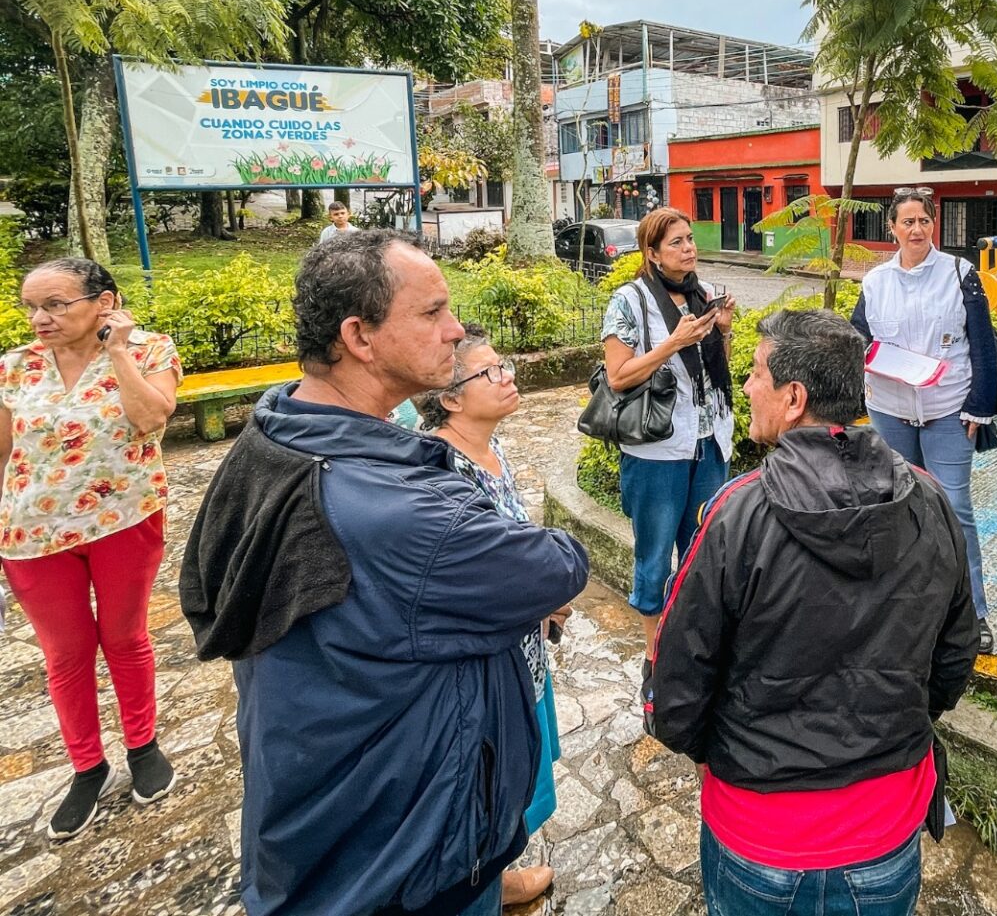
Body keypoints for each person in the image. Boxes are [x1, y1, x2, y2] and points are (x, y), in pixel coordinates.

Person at [179, 230, 589, 916]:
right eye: (432, 312)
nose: (456, 330)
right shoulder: (406, 515)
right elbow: (555, 566)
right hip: (407, 859)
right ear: (359, 336)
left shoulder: (277, 432)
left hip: (331, 822)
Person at [650, 309, 979, 916]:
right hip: (887, 823)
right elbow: (956, 654)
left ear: (794, 397)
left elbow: (677, 680)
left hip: (760, 830)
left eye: (755, 374)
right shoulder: (928, 500)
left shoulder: (736, 514)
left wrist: (713, 755)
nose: (746, 387)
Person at [0, 258, 181, 840]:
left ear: (104, 302)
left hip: (123, 519)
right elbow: (4, 452)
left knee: (125, 636)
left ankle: (142, 744)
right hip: (33, 533)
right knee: (66, 652)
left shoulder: (152, 351)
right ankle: (86, 764)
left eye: (55, 304)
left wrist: (119, 352)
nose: (39, 318)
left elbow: (152, 419)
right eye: (32, 306)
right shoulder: (15, 368)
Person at [414, 326, 566, 910]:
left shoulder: (491, 447)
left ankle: (499, 869)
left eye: (504, 364)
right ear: (450, 399)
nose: (507, 376)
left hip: (524, 652)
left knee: (523, 769)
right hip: (487, 667)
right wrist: (540, 594)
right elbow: (462, 585)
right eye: (489, 372)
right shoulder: (443, 471)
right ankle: (489, 876)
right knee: (489, 783)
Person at [851, 186, 997, 652]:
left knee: (955, 510)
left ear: (933, 225)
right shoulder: (875, 282)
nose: (917, 229)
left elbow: (983, 344)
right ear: (891, 228)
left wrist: (980, 404)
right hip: (890, 411)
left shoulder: (961, 274)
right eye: (907, 222)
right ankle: (905, 603)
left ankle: (974, 610)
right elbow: (858, 338)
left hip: (947, 412)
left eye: (924, 221)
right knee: (895, 506)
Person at [599, 206, 734, 675]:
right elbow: (617, 377)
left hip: (709, 443)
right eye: (676, 242)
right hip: (657, 451)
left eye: (690, 239)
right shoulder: (629, 301)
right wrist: (672, 343)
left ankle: (696, 643)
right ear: (652, 253)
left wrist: (723, 332)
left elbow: (717, 371)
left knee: (704, 551)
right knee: (654, 553)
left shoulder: (705, 294)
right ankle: (654, 653)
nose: (689, 248)